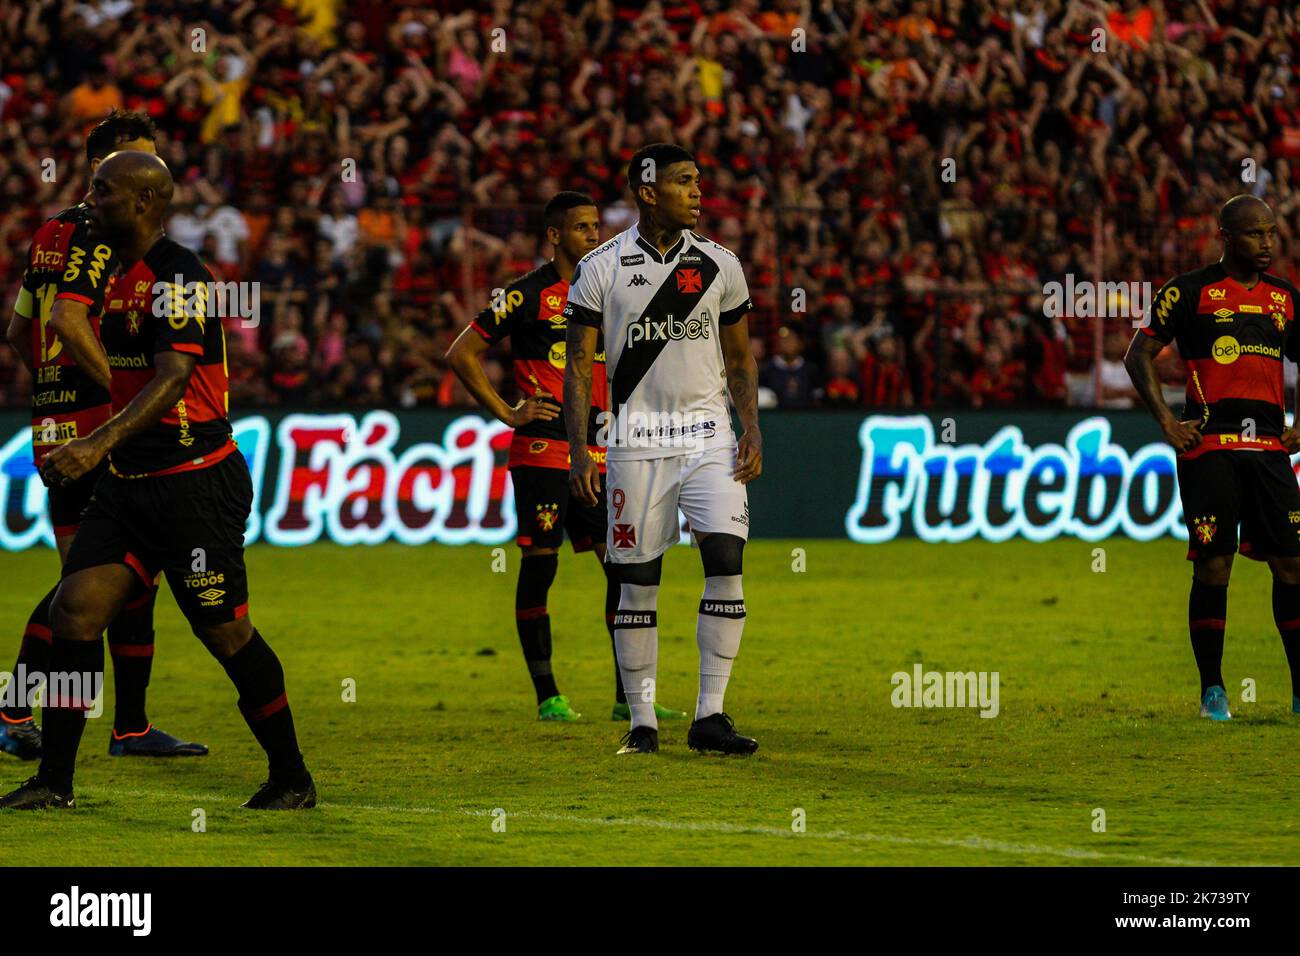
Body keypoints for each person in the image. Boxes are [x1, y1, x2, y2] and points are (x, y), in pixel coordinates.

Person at [0, 151, 313, 810]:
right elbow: (49, 327)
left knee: (225, 633)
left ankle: (290, 776)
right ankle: (54, 783)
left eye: (103, 191)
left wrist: (95, 440)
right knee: (74, 611)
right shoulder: (109, 269)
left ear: (144, 202)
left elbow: (172, 381)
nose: (90, 199)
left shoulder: (182, 277)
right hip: (130, 480)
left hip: (195, 483)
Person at [1, 110, 205, 761]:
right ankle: (17, 707)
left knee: (120, 581)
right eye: (143, 163)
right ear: (110, 167)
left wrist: (53, 398)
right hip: (98, 429)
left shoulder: (51, 233)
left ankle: (129, 726)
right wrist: (119, 400)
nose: (158, 178)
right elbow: (67, 319)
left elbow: (18, 334)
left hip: (60, 419)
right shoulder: (98, 232)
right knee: (90, 584)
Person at [445, 191, 686, 723]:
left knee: (624, 571)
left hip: (602, 454)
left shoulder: (611, 291)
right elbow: (460, 353)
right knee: (541, 567)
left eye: (596, 226)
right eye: (581, 227)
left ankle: (629, 697)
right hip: (544, 452)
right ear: (555, 235)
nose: (593, 235)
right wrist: (508, 412)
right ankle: (547, 694)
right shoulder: (525, 294)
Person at [563, 143, 762, 756]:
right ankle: (643, 724)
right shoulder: (601, 267)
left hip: (709, 436)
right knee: (637, 583)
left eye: (699, 180)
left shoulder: (721, 264)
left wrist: (750, 425)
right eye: (684, 182)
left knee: (726, 560)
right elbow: (576, 367)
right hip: (635, 442)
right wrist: (579, 452)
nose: (698, 191)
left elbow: (740, 356)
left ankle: (710, 716)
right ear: (648, 193)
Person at [1124, 194, 1300, 721]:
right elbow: (1139, 354)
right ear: (1226, 236)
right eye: (1254, 234)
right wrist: (1167, 422)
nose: (1267, 243)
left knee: (1292, 565)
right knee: (1215, 567)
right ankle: (1213, 691)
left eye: (1271, 233)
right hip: (1211, 449)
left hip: (1269, 450)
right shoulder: (1189, 291)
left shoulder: (1286, 298)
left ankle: (1299, 693)